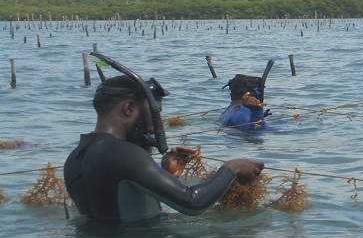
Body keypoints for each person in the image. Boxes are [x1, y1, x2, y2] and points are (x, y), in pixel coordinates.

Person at [64, 54, 264, 223]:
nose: (155, 124)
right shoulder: (123, 154)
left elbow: (117, 207)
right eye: (155, 113)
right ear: (129, 109)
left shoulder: (78, 155)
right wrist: (233, 167)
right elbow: (193, 203)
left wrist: (166, 175)